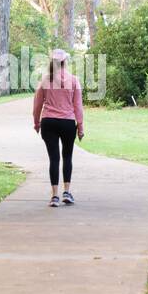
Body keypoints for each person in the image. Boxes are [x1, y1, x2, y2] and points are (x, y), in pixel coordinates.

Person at [32, 48, 84, 207]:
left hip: (49, 122)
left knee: (54, 158)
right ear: (64, 62)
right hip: (67, 123)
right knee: (67, 157)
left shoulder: (45, 80)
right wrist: (80, 127)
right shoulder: (74, 80)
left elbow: (37, 104)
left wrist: (36, 123)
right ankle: (66, 192)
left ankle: (54, 196)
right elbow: (78, 107)